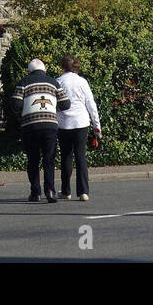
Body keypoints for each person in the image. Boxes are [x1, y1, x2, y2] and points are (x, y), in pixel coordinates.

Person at [12, 58, 70, 203]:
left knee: (33, 159)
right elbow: (66, 104)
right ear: (44, 70)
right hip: (50, 126)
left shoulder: (23, 82)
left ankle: (36, 193)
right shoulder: (53, 82)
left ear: (28, 71)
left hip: (30, 126)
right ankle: (50, 191)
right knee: (48, 159)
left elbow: (16, 104)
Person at [56, 55, 101, 201]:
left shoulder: (58, 82)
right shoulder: (82, 82)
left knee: (66, 156)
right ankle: (83, 192)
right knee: (81, 156)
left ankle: (66, 191)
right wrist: (97, 126)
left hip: (63, 123)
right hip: (81, 122)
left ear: (62, 67)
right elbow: (91, 104)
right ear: (77, 67)